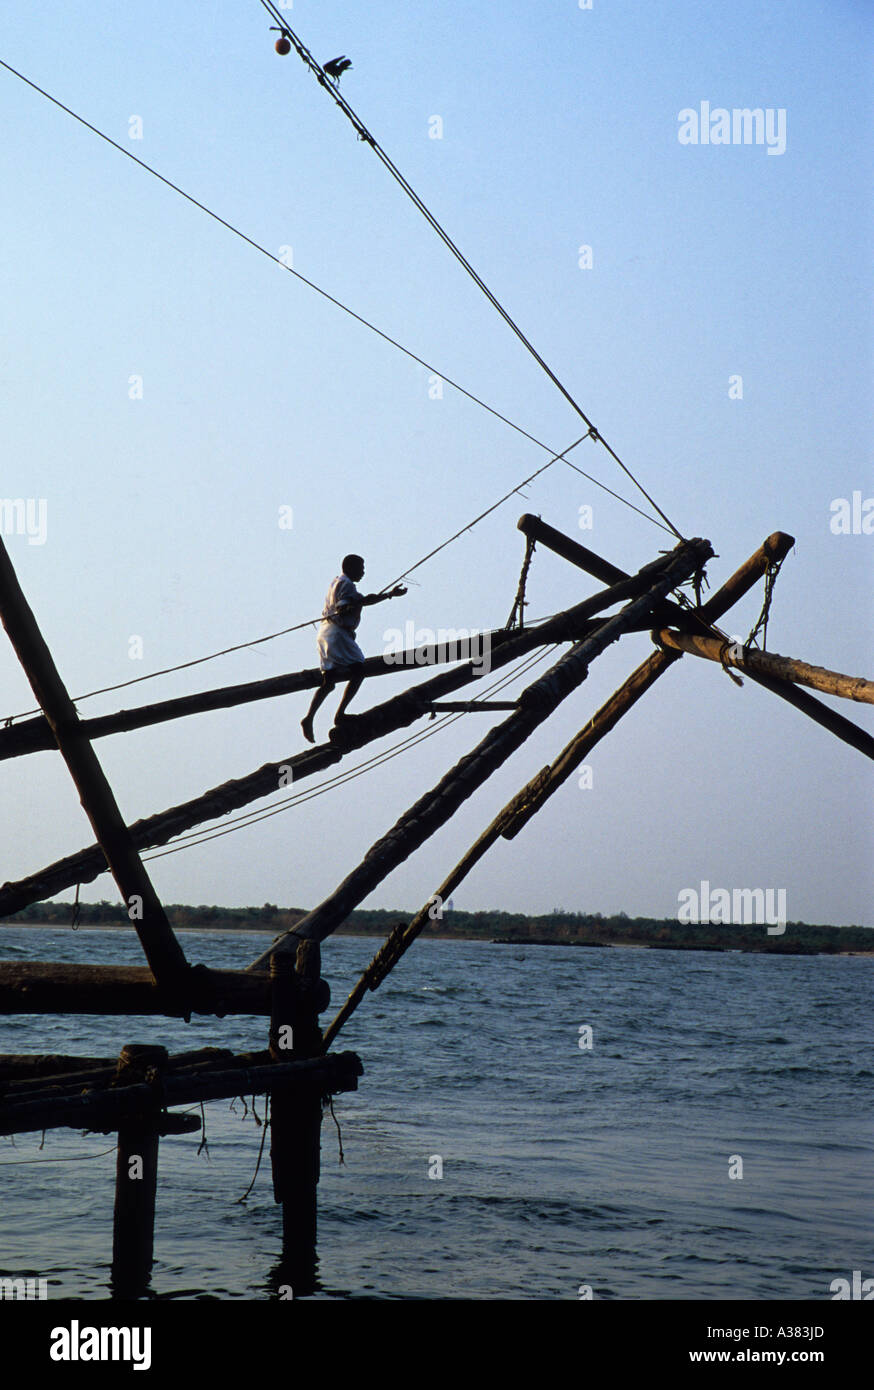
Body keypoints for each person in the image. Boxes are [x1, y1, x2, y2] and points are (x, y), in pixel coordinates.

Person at [300, 555, 406, 743]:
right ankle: (340, 714)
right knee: (359, 669)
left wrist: (388, 594)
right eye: (361, 568)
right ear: (351, 568)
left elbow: (363, 600)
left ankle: (309, 718)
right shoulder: (347, 585)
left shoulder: (337, 582)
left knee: (329, 681)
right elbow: (345, 606)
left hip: (325, 632)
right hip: (337, 634)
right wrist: (357, 603)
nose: (363, 572)